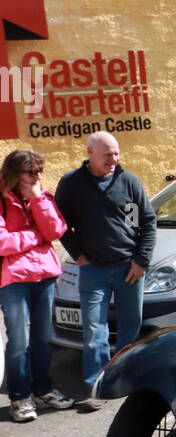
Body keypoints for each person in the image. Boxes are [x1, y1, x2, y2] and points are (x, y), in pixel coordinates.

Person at [55, 132, 156, 409]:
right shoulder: (72, 184)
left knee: (129, 329)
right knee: (94, 330)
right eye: (107, 154)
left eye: (116, 153)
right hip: (94, 270)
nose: (114, 159)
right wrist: (80, 257)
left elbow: (143, 223)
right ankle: (96, 386)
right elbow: (61, 224)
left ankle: (125, 379)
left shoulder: (128, 182)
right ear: (90, 152)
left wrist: (141, 260)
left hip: (129, 268)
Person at [0, 149, 74, 421]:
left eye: (40, 171)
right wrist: (33, 235)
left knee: (43, 339)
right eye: (31, 172)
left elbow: (55, 231)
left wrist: (38, 200)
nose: (37, 177)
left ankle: (42, 391)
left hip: (44, 275)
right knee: (18, 341)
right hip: (14, 280)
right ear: (14, 173)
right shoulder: (2, 199)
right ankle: (19, 398)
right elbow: (1, 243)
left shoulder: (42, 197)